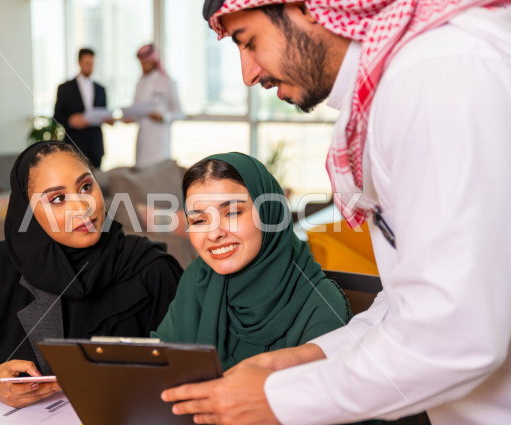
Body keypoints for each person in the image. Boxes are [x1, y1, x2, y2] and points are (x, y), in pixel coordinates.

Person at [160, 1, 511, 425]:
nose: (248, 74)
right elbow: (410, 302)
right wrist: (308, 357)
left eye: (249, 42)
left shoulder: (435, 77)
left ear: (308, 8)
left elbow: (455, 333)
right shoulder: (400, 86)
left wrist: (279, 398)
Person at [0, 141, 182, 408]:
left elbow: (191, 368)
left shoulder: (151, 268)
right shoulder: (1, 267)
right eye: (57, 198)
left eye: (85, 187)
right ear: (28, 211)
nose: (82, 207)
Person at [153, 152, 352, 371]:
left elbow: (321, 398)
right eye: (199, 220)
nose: (214, 234)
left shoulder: (320, 303)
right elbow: (157, 367)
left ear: (269, 214)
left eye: (232, 213)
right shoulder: (197, 280)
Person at [54, 48, 110, 168]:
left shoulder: (101, 89)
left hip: (96, 146)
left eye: (92, 63)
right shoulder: (65, 88)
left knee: (96, 181)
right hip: (75, 144)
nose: (90, 67)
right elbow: (57, 115)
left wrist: (108, 119)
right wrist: (70, 120)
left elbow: (104, 113)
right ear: (79, 63)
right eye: (87, 63)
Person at [129, 43, 182, 168]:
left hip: (160, 142)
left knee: (158, 177)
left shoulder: (167, 82)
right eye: (141, 63)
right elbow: (136, 110)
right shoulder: (140, 83)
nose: (143, 66)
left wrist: (164, 117)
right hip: (143, 140)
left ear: (154, 61)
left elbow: (179, 112)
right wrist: (130, 116)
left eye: (146, 62)